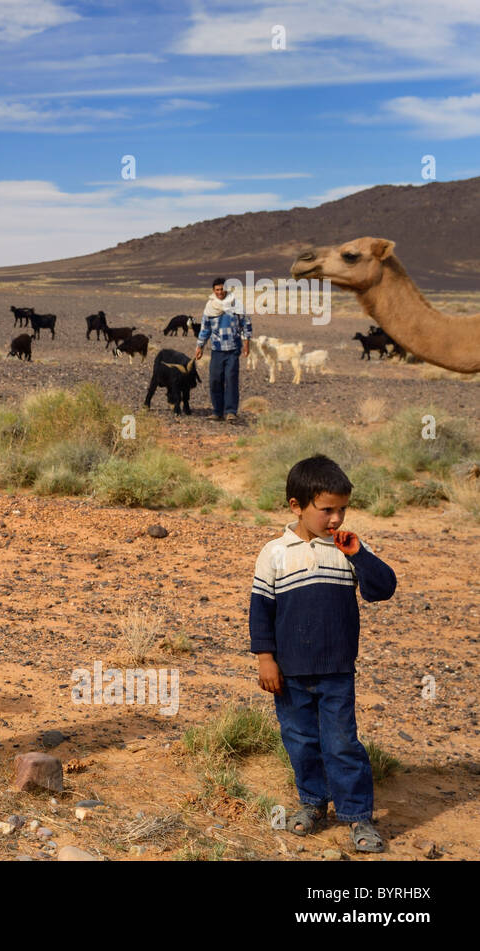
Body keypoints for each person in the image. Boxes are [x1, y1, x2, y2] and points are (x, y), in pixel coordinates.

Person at [249, 455, 396, 852]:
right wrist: (266, 659)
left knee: (342, 743)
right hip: (290, 673)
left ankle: (357, 815)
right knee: (301, 740)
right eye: (326, 509)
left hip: (336, 671)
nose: (336, 518)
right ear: (297, 506)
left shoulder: (345, 550)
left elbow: (383, 588)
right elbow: (261, 610)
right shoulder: (274, 553)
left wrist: (359, 553)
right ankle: (312, 803)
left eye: (342, 509)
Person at [194, 277, 251, 422]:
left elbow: (246, 324)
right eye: (217, 290)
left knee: (231, 379)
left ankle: (231, 411)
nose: (220, 292)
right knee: (215, 380)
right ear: (213, 291)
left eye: (222, 289)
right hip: (217, 349)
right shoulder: (210, 307)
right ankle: (217, 411)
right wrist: (199, 346)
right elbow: (205, 329)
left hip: (233, 349)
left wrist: (246, 343)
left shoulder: (236, 304)